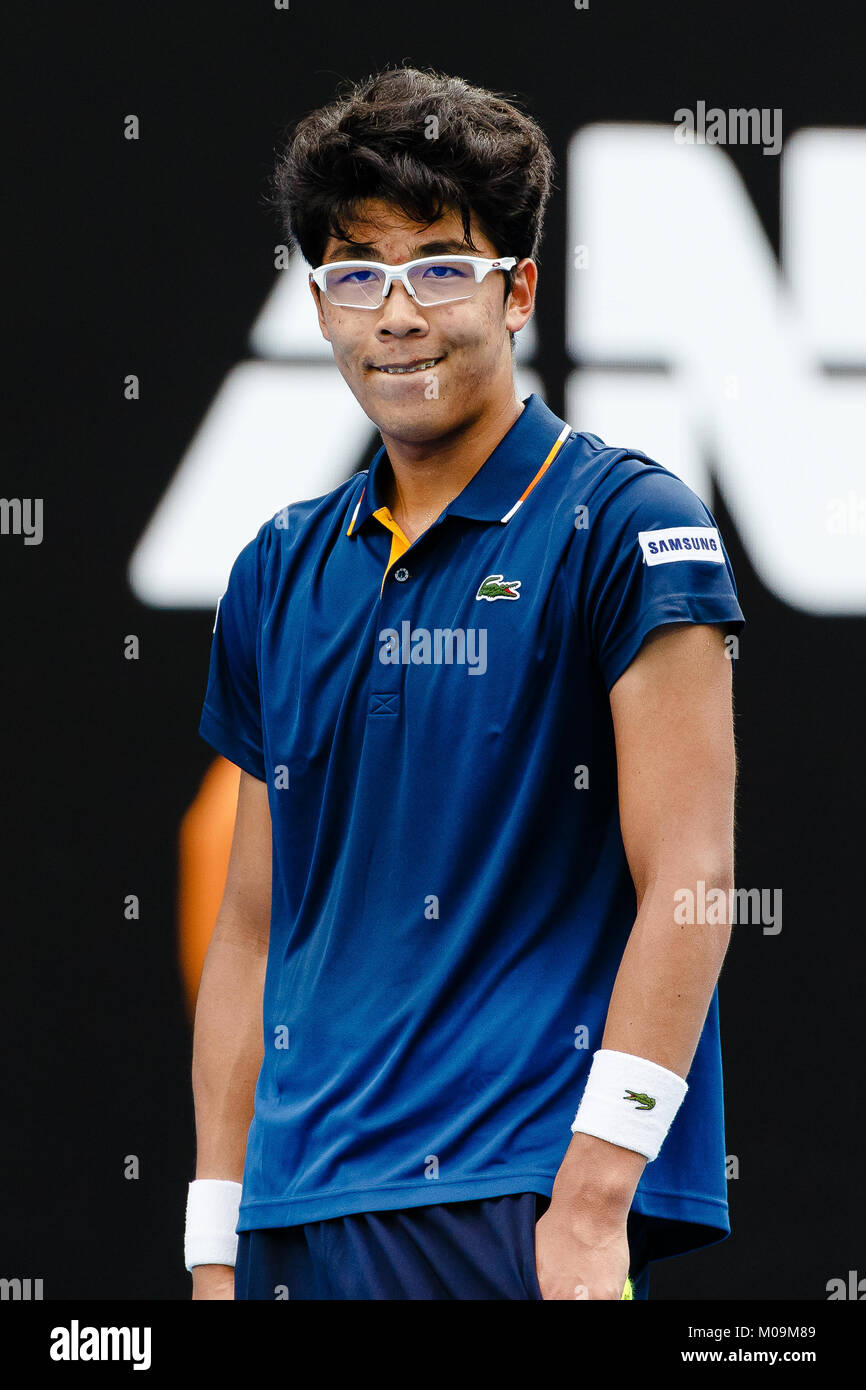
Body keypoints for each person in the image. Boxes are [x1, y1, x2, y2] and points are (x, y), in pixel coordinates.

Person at [185, 64, 745, 1301]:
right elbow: (249, 926)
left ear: (518, 289)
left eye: (440, 266)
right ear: (320, 306)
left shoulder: (626, 523)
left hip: (506, 1193)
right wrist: (214, 1237)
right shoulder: (275, 568)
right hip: (292, 1209)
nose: (396, 313)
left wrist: (594, 1198)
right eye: (355, 273)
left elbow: (696, 882)